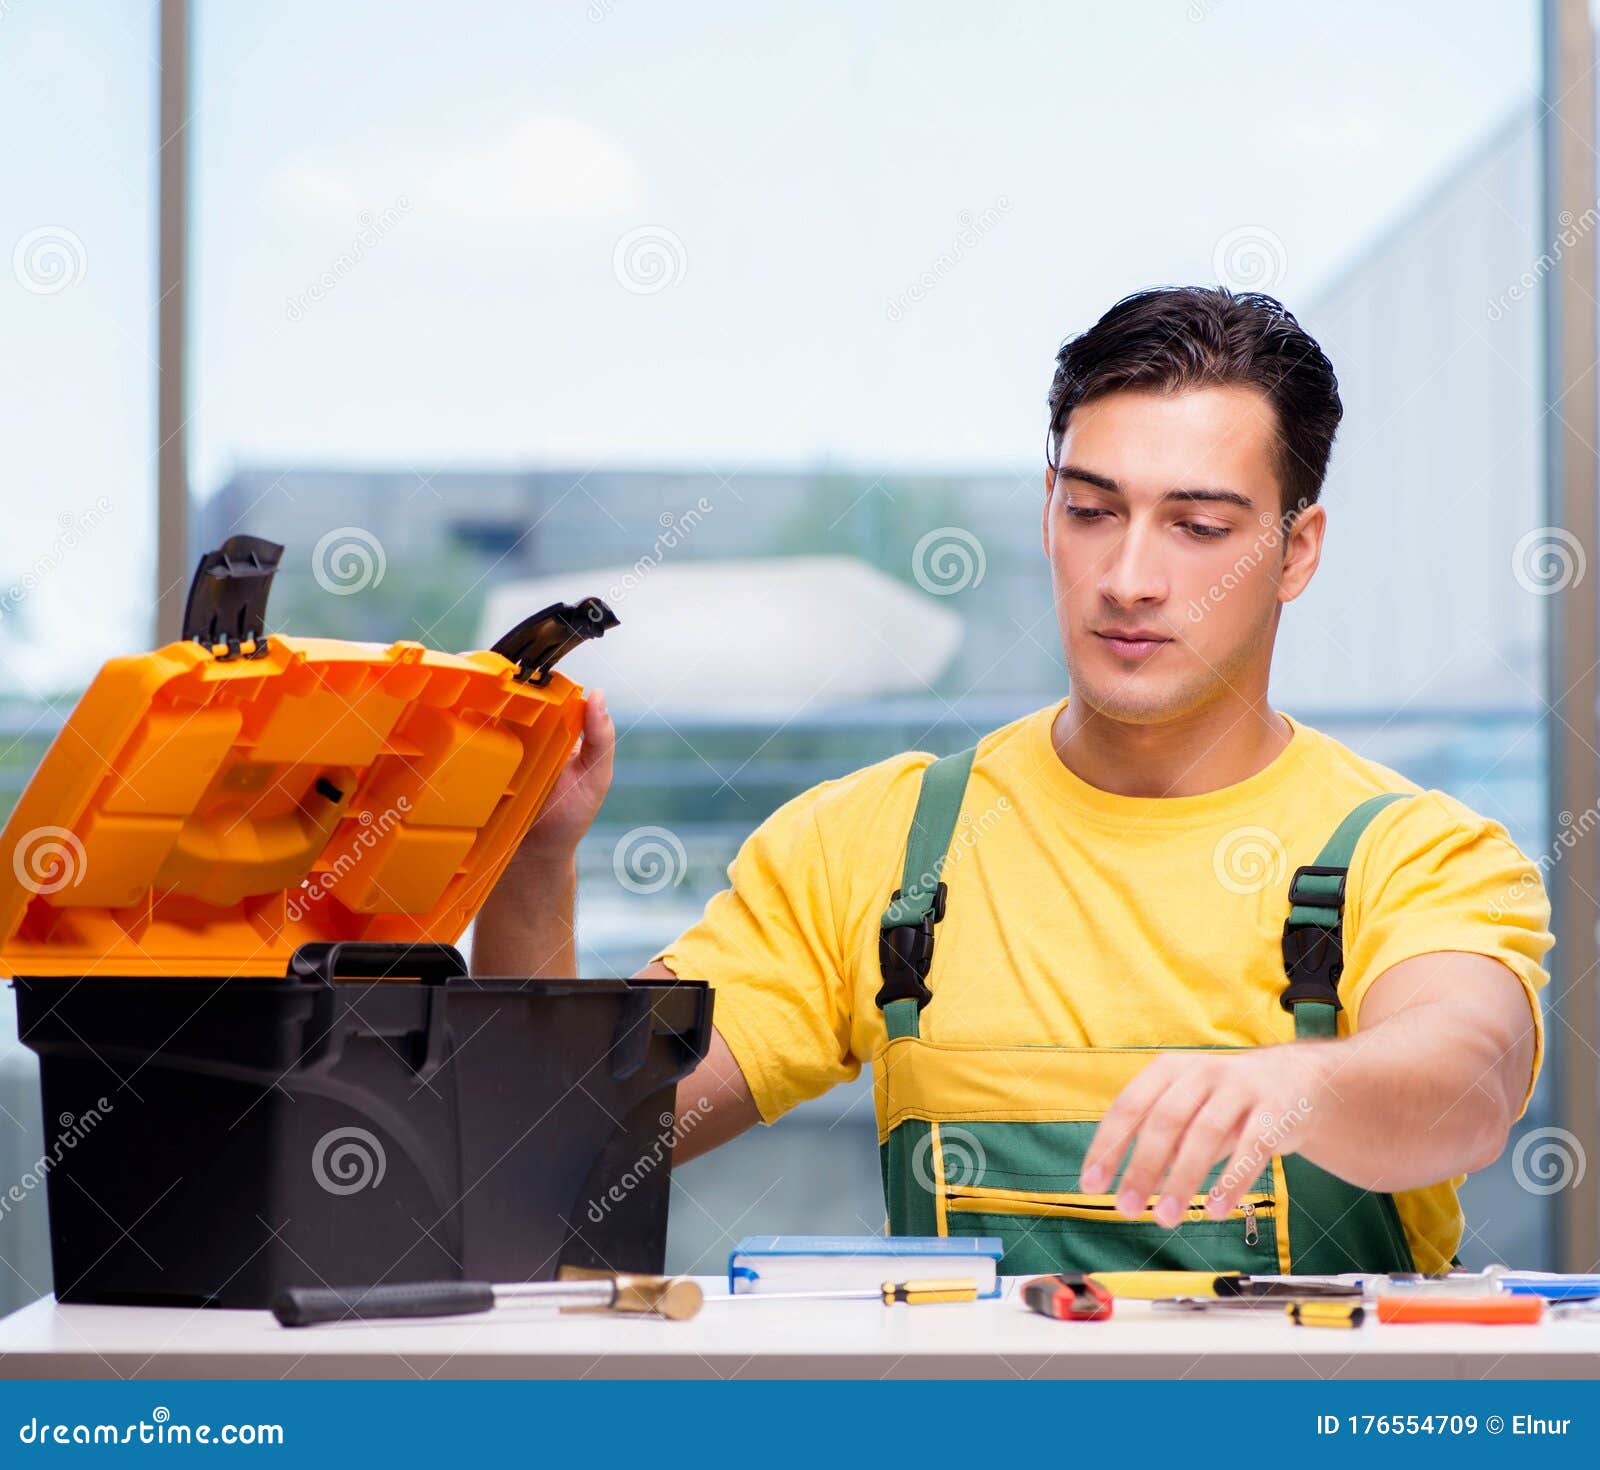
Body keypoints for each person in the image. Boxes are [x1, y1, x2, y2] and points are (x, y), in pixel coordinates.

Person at [473, 286, 1553, 1275]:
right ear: (1047, 514)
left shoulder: (1412, 852)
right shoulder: (882, 844)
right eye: (1091, 512)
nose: (1129, 579)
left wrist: (1300, 1085)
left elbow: (1466, 1083)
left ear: (1295, 550)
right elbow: (564, 1145)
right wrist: (532, 853)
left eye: (1198, 527)